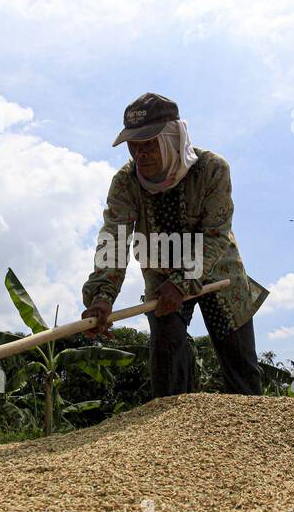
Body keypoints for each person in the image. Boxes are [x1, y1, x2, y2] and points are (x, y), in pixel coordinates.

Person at [81, 92, 268, 397]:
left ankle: (255, 432)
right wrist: (102, 296)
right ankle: (170, 441)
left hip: (219, 274)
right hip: (161, 277)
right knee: (166, 366)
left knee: (241, 369)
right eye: (133, 144)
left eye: (149, 143)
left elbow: (216, 234)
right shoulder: (125, 183)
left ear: (172, 137)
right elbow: (113, 240)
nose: (140, 153)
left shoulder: (212, 170)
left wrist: (183, 281)